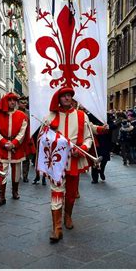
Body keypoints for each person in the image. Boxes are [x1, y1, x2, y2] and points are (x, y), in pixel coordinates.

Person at [41, 87, 92, 243]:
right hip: (56, 162)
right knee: (56, 192)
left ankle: (68, 215)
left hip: (74, 160)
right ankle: (56, 228)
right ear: (59, 98)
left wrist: (83, 148)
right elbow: (42, 139)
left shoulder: (82, 116)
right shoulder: (49, 117)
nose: (67, 98)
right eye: (64, 96)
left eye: (69, 95)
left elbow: (88, 137)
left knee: (71, 194)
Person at [0, 92, 28, 206]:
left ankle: (15, 191)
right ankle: (1, 196)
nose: (12, 102)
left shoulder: (22, 116)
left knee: (16, 172)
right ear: (6, 101)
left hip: (16, 148)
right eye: (10, 100)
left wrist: (14, 143)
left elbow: (23, 132)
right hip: (3, 149)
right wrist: (4, 142)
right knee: (2, 172)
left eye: (14, 100)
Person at [17, 96, 35, 183]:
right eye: (22, 102)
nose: (24, 104)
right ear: (18, 103)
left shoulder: (29, 113)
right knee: (17, 158)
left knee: (26, 158)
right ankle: (17, 175)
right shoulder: (14, 112)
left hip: (27, 138)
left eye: (25, 103)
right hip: (17, 138)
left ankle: (25, 175)